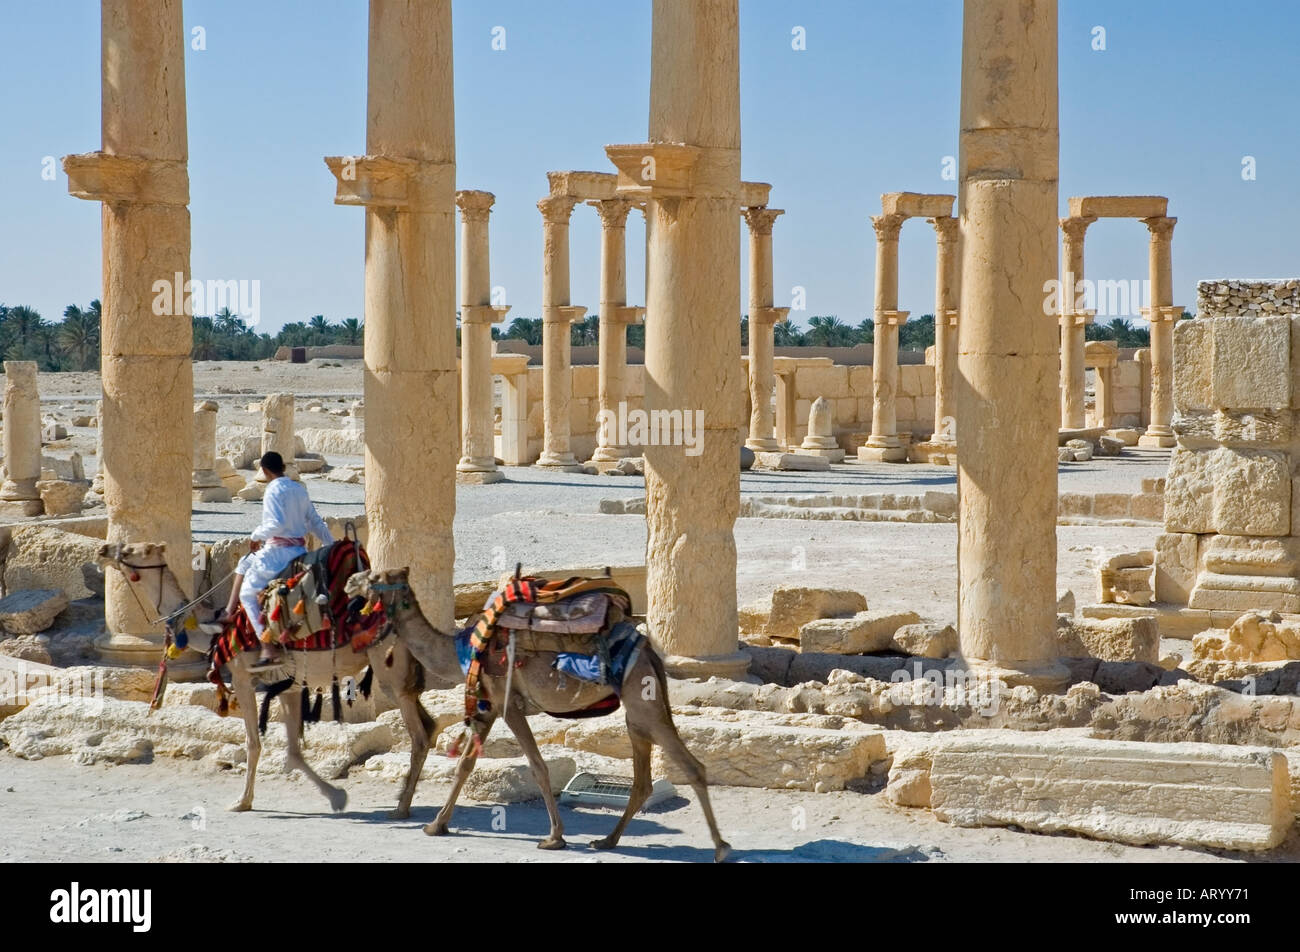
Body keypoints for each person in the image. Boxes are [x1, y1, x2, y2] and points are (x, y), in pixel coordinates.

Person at [219, 451, 333, 669]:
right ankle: (229, 612)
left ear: (265, 470)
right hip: (299, 551)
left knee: (248, 593)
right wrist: (331, 544)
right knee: (245, 562)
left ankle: (267, 647)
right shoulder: (299, 489)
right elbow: (315, 522)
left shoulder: (273, 490)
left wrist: (255, 535)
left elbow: (277, 525)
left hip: (277, 553)